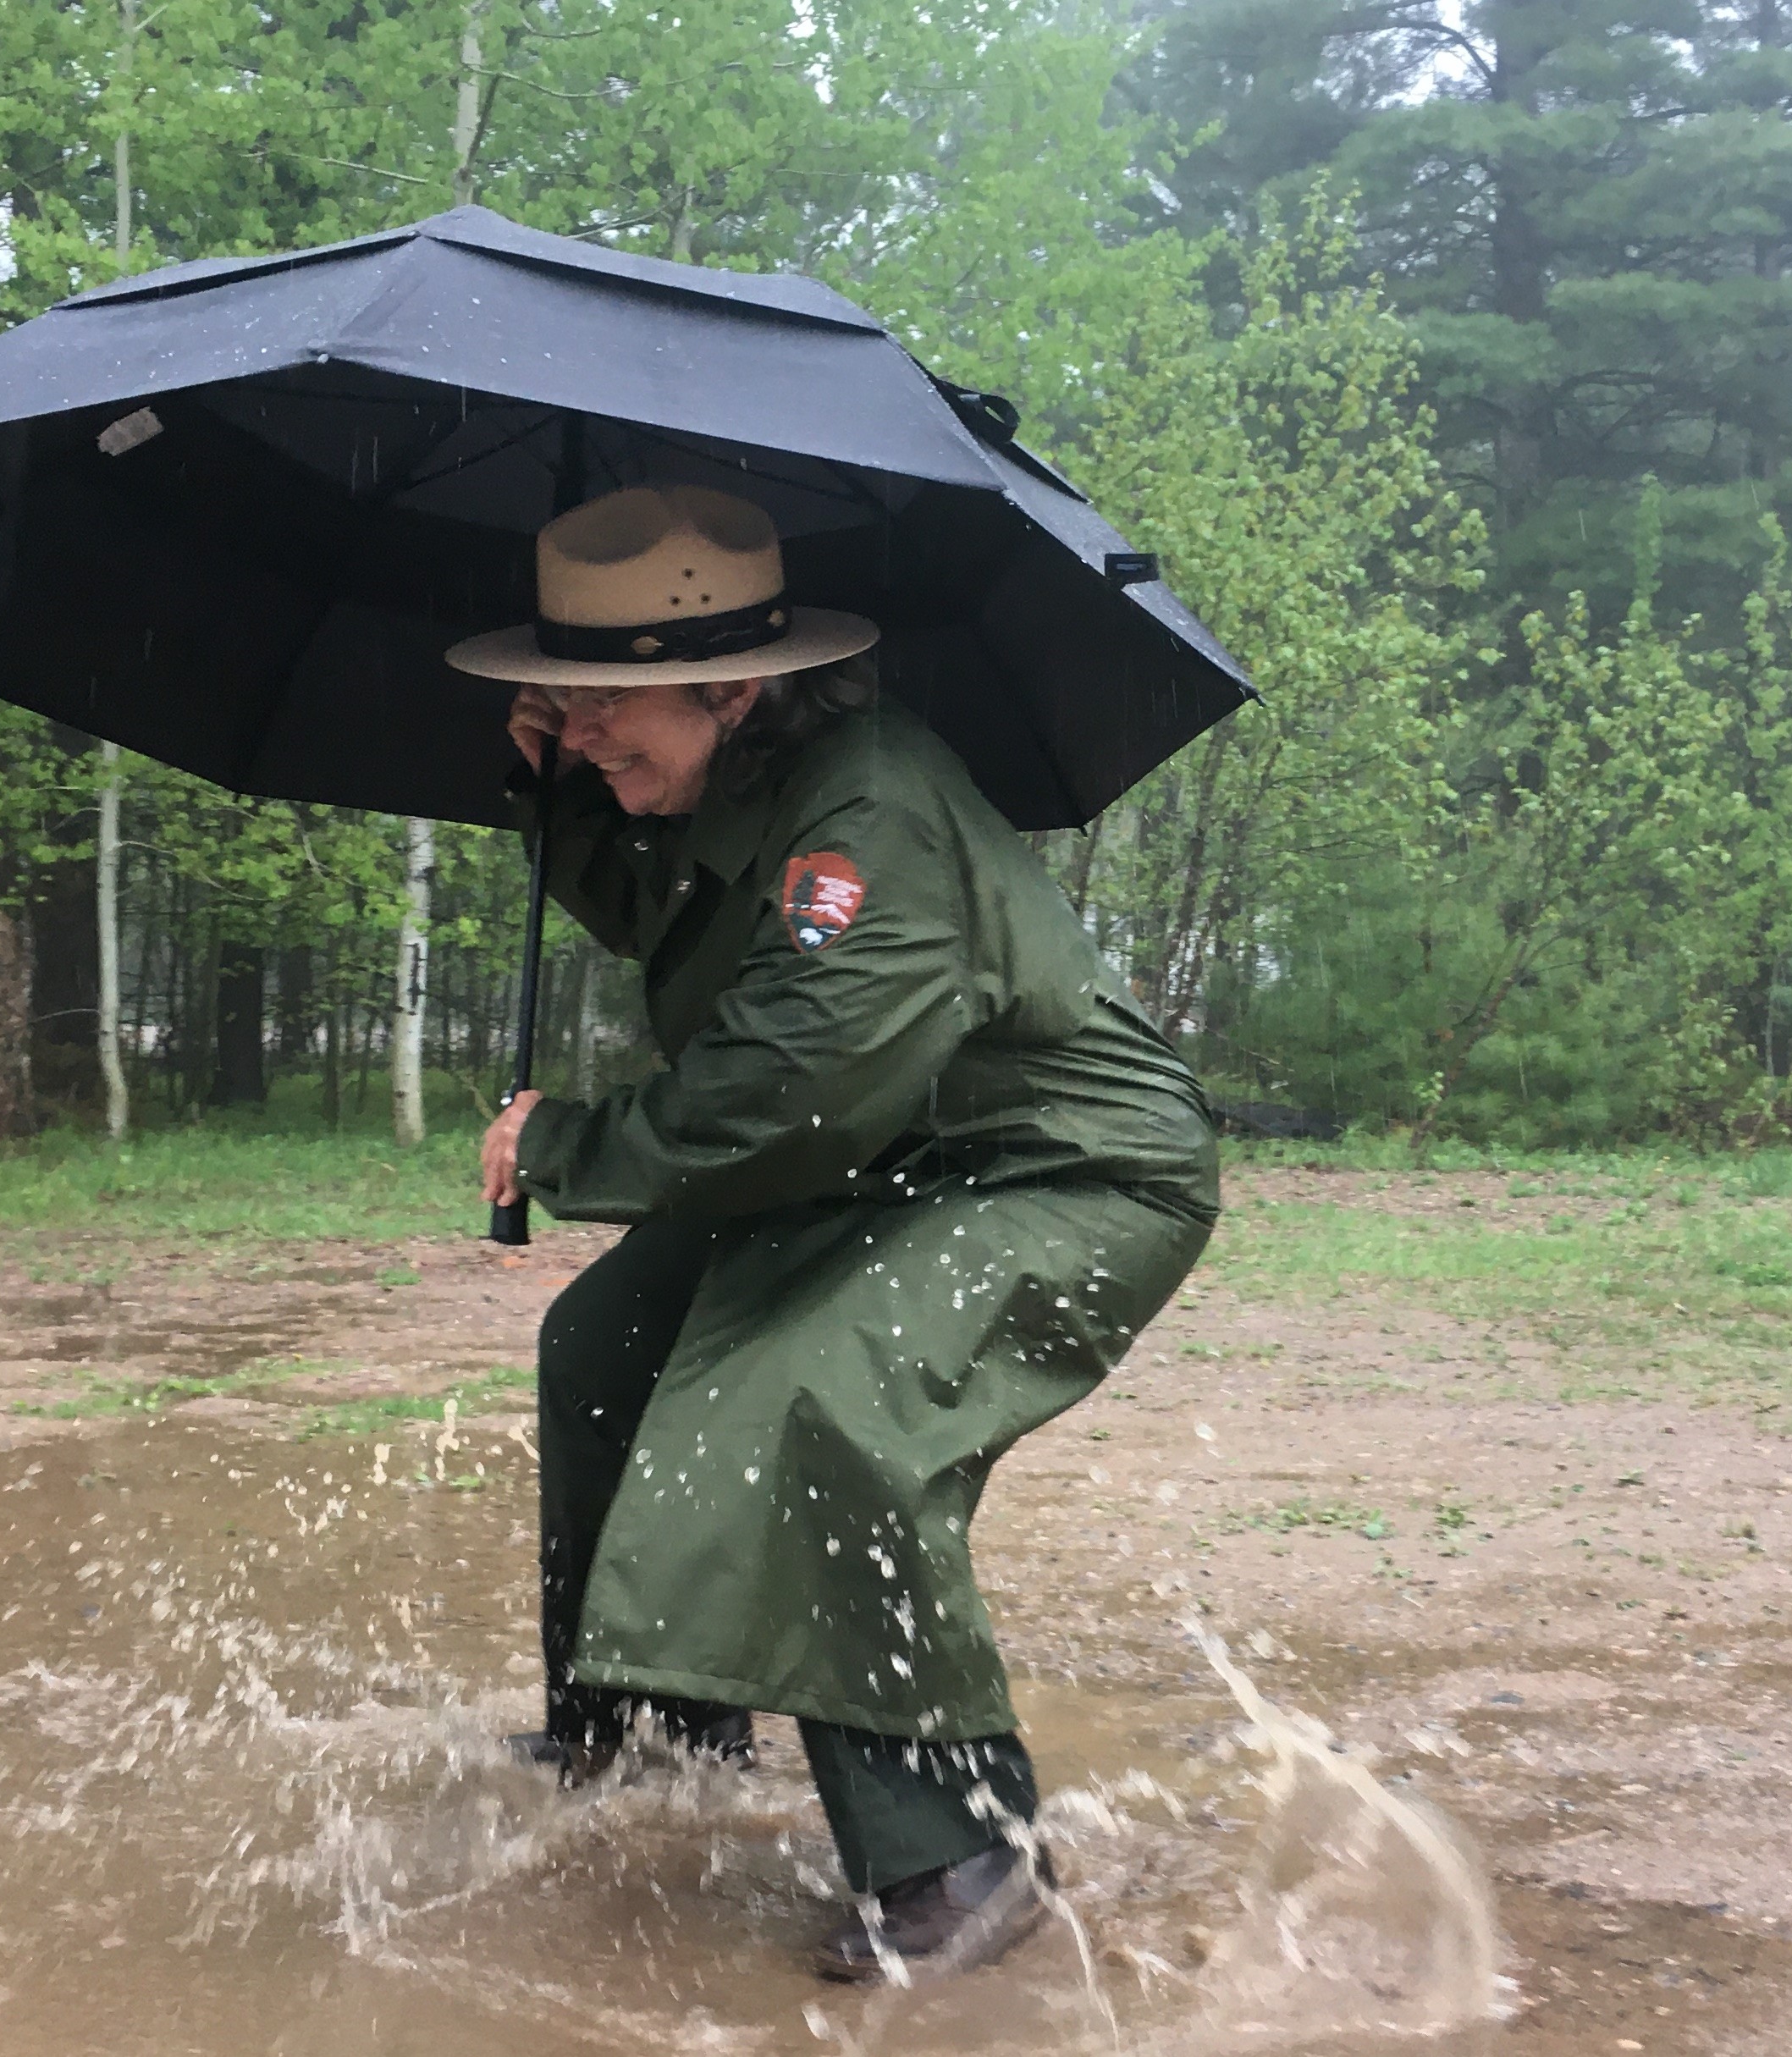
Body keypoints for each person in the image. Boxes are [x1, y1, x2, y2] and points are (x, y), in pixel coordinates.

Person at [447, 483, 1218, 1983]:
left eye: (614, 705)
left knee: (814, 1405)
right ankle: (661, 1722)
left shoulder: (867, 801)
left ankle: (964, 1852)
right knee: (600, 1343)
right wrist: (553, 785)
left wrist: (566, 1144)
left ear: (737, 685)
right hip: (878, 1160)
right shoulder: (732, 777)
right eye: (564, 701)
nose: (585, 727)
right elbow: (661, 913)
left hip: (1052, 1169)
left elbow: (789, 1092)